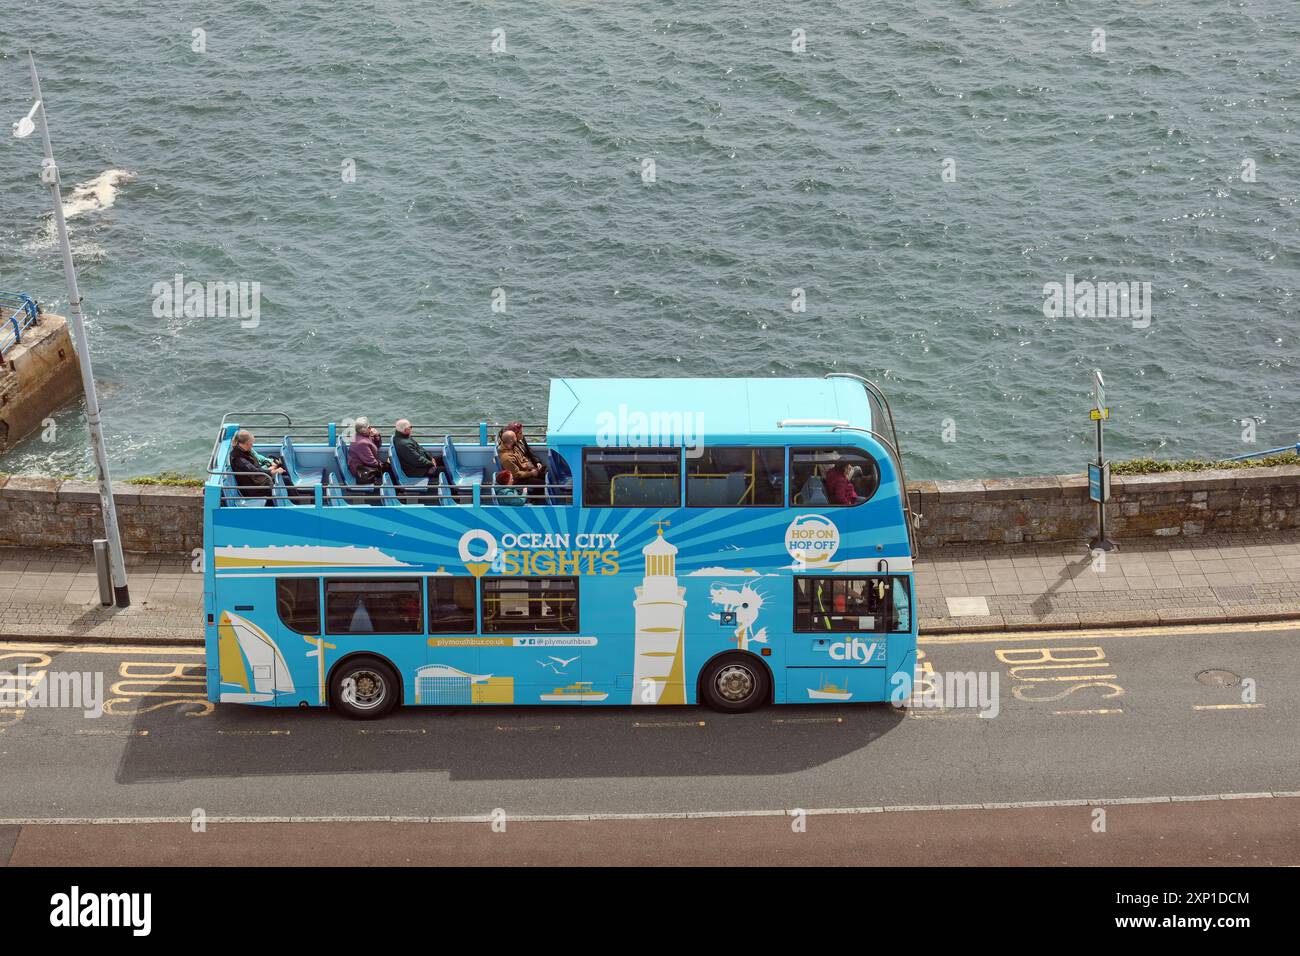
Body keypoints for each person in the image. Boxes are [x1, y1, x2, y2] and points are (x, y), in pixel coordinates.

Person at [229, 430, 310, 502]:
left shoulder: (245, 450)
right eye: (249, 444)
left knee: (285, 477)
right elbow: (254, 470)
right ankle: (296, 502)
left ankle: (295, 499)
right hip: (253, 488)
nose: (252, 446)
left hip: (257, 480)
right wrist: (272, 471)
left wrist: (270, 466)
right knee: (285, 481)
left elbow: (257, 465)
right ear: (241, 444)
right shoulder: (238, 459)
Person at [392, 419, 446, 484]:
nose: (411, 429)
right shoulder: (404, 444)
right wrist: (431, 463)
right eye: (410, 427)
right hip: (417, 471)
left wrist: (431, 458)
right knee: (444, 470)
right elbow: (417, 460)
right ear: (405, 430)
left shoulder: (405, 437)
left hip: (421, 463)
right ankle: (452, 490)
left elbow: (420, 448)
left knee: (443, 458)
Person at [498, 427, 547, 499]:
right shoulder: (507, 458)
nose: (517, 438)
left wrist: (530, 466)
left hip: (526, 470)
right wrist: (531, 473)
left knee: (544, 471)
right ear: (511, 440)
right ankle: (533, 499)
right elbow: (516, 475)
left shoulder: (513, 446)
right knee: (543, 484)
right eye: (515, 437)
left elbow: (522, 458)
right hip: (520, 480)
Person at [347, 417, 395, 487]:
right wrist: (385, 464)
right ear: (368, 428)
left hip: (366, 465)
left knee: (390, 466)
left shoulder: (363, 436)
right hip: (361, 470)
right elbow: (371, 462)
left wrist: (376, 436)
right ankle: (396, 492)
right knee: (391, 468)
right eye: (369, 427)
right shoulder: (361, 443)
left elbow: (375, 446)